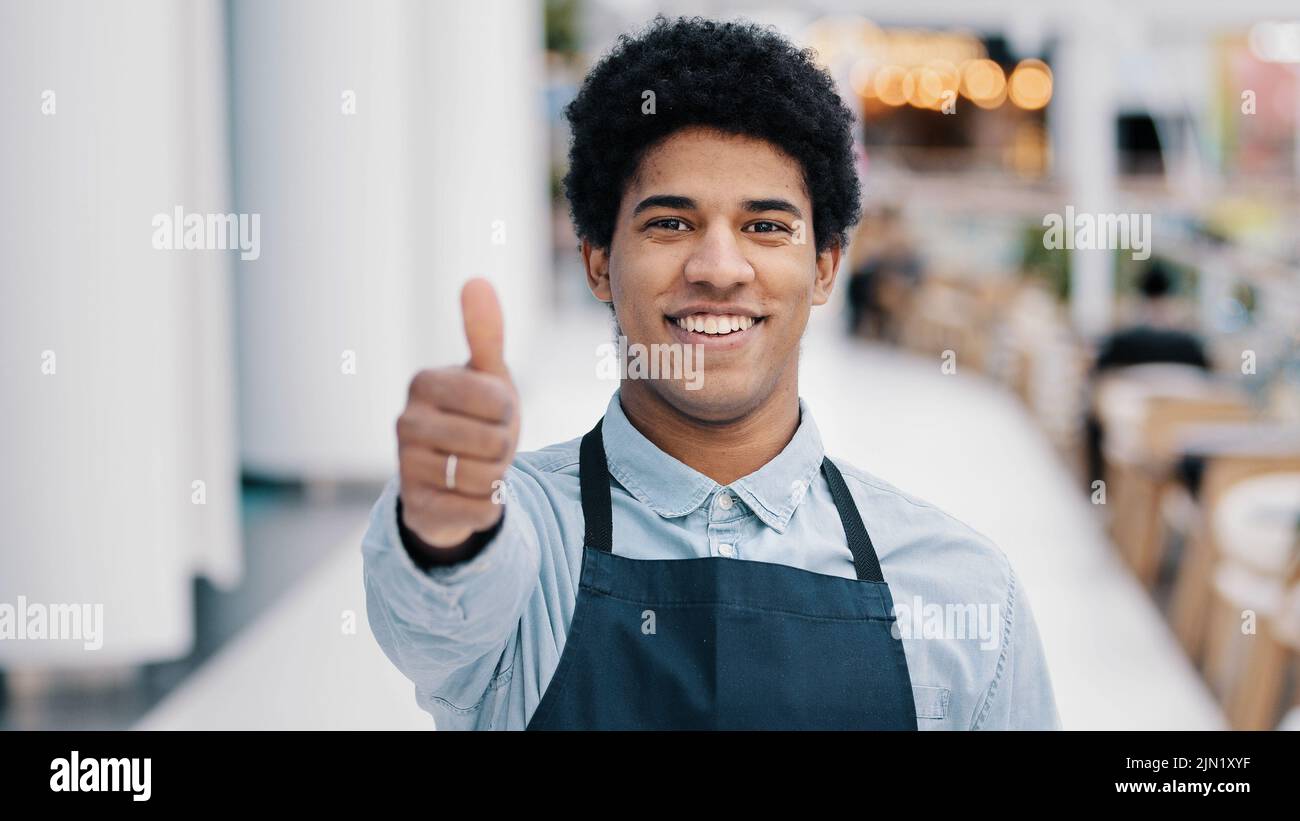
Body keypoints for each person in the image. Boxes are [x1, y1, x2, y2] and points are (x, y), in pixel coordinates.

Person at [362, 15, 1060, 730]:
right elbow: (436, 615)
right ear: (599, 261)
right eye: (670, 223)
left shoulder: (960, 587)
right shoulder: (526, 542)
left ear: (824, 267)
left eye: (765, 226)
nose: (719, 269)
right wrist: (444, 528)